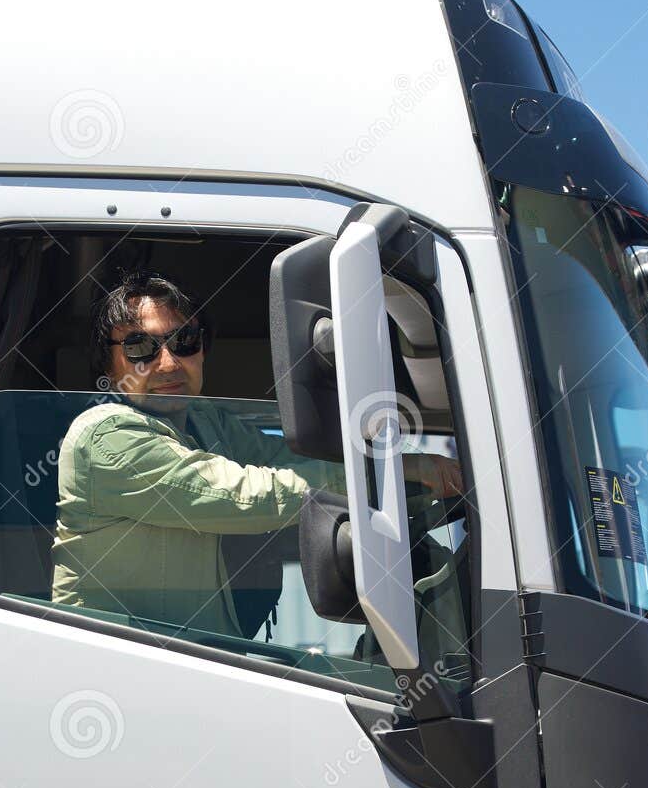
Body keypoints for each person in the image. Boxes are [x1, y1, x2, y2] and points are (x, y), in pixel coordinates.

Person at [50, 272, 460, 641]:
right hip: (122, 669)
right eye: (141, 347)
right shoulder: (106, 434)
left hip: (200, 659)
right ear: (109, 363)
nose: (169, 363)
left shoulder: (208, 422)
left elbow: (287, 458)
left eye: (184, 341)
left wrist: (412, 474)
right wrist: (391, 475)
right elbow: (244, 495)